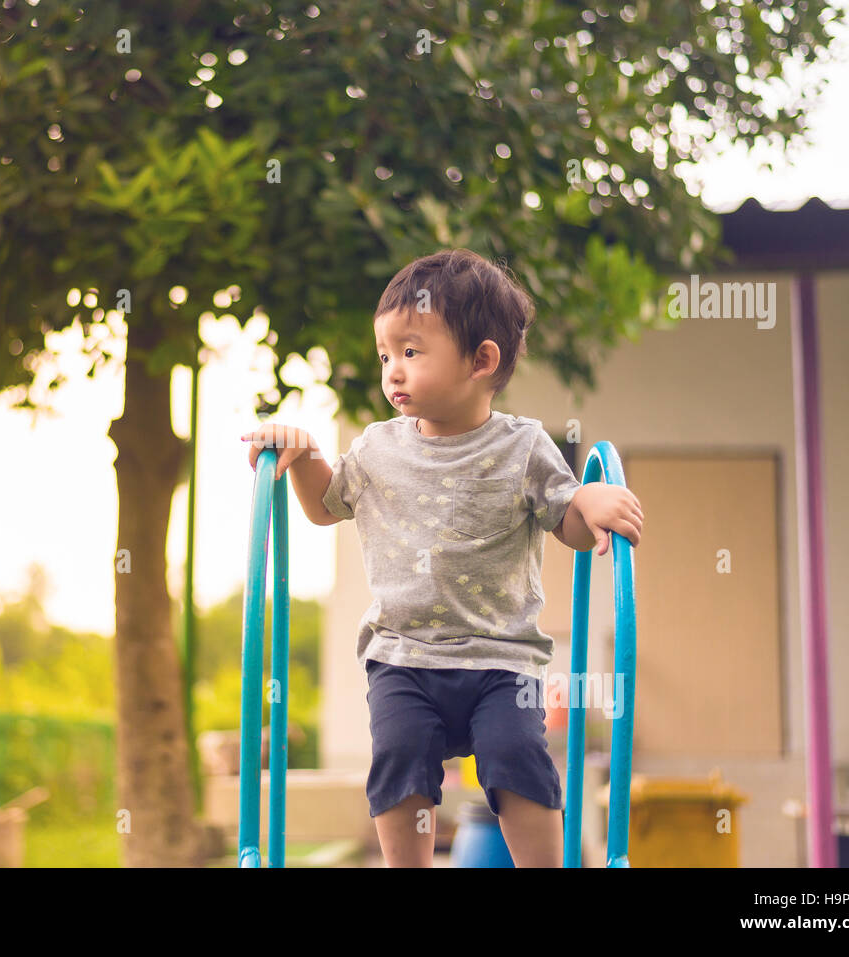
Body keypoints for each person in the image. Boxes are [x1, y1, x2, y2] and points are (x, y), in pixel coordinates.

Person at [240, 248, 643, 866]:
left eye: (410, 351)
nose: (391, 372)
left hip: (502, 660)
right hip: (403, 656)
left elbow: (572, 528)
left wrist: (588, 499)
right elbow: (325, 505)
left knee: (516, 754)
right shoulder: (377, 447)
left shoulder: (524, 446)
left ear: (482, 360)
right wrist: (303, 451)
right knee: (400, 753)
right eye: (384, 355)